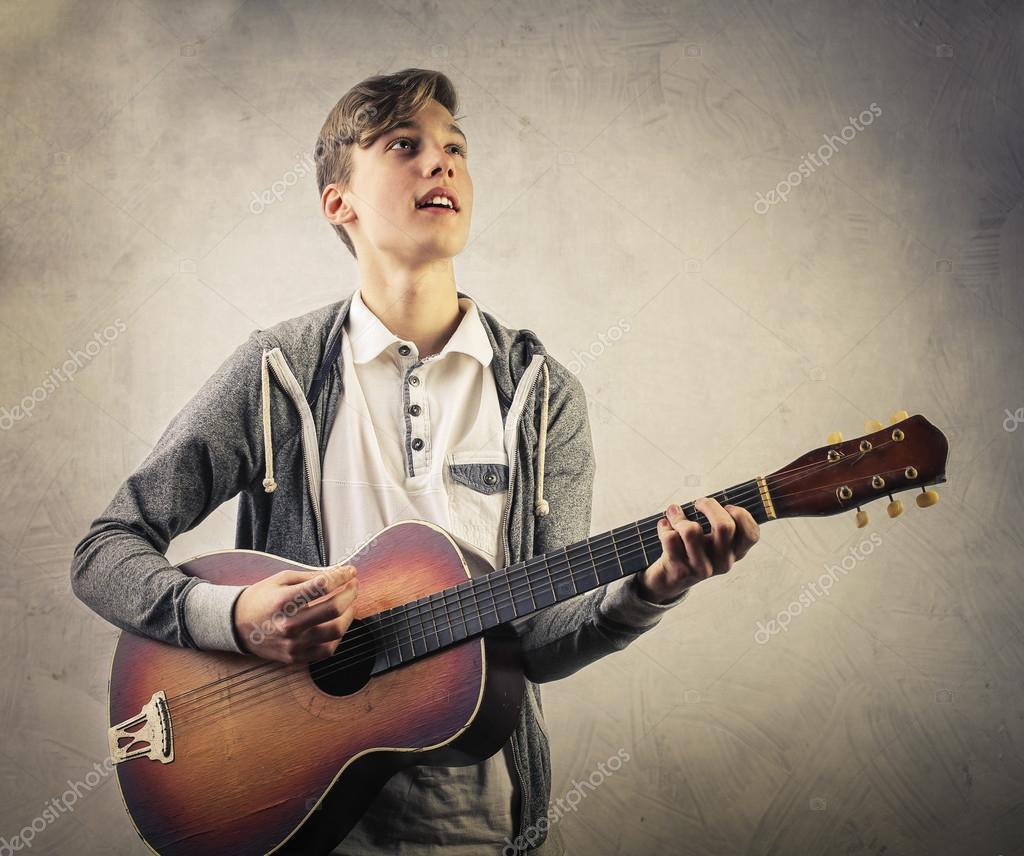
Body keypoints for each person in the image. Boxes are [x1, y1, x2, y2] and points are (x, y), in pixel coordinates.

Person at [70, 67, 760, 856]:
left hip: (477, 823)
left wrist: (650, 588)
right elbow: (103, 551)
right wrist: (233, 619)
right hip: (284, 810)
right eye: (406, 146)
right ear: (340, 203)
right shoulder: (274, 372)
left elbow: (536, 641)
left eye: (457, 149)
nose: (443, 164)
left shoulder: (543, 397)